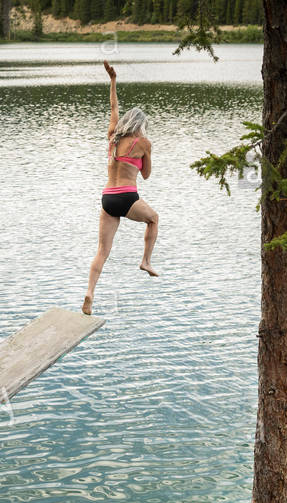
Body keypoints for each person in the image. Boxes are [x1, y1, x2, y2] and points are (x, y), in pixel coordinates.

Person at [82, 61, 159, 316]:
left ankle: (90, 292)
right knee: (153, 219)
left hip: (107, 199)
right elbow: (146, 175)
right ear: (141, 125)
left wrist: (113, 79)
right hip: (127, 196)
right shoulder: (143, 142)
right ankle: (146, 260)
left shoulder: (113, 135)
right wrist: (145, 155)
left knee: (102, 251)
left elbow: (113, 105)